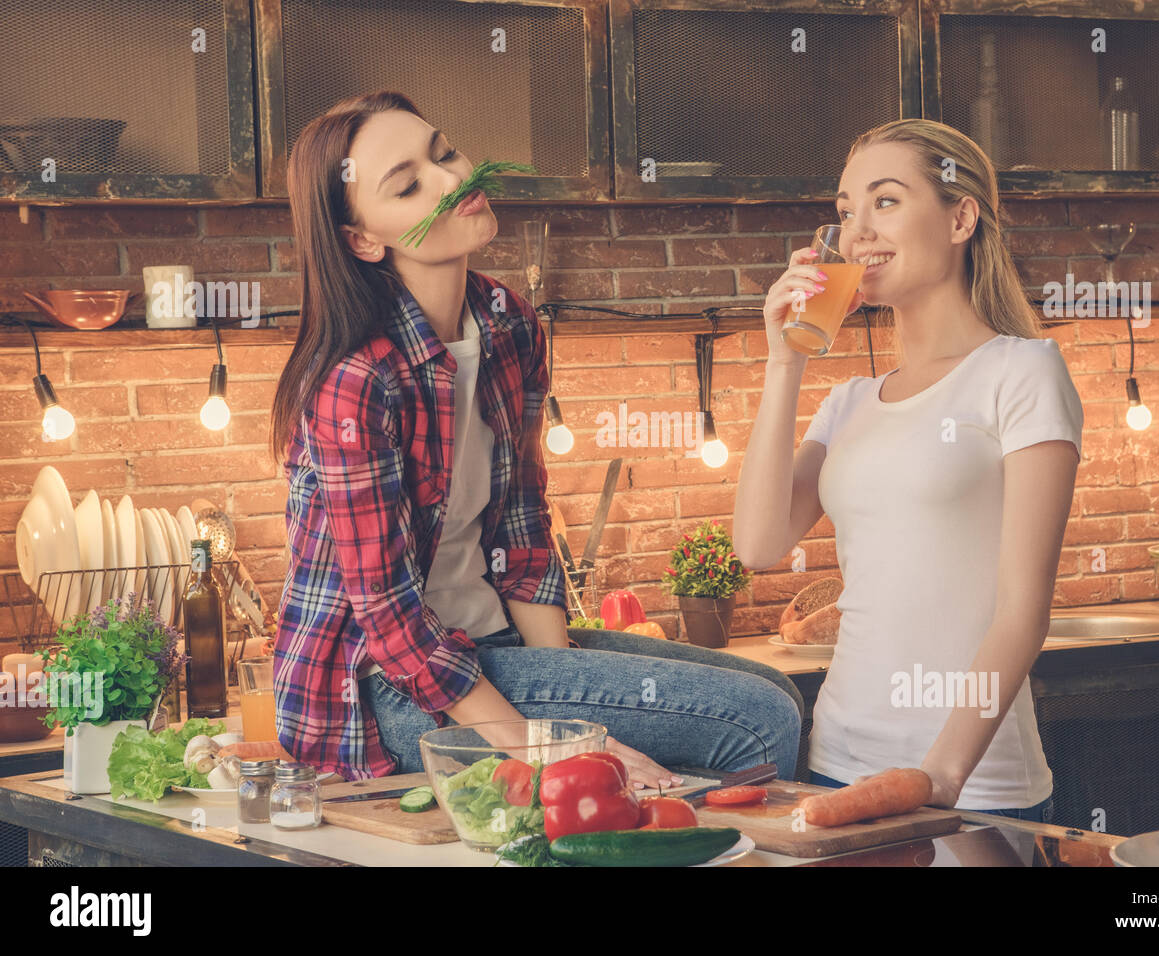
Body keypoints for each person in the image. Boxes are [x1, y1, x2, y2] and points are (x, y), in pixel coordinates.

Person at [267, 91, 802, 785]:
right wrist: (559, 749)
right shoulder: (355, 380)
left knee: (783, 695)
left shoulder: (507, 324)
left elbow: (520, 527)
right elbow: (388, 618)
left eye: (444, 153)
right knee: (759, 720)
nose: (453, 181)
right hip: (383, 693)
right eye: (408, 184)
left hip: (496, 648)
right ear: (363, 239)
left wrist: (567, 684)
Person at [734, 118, 1083, 823]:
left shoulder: (1021, 373)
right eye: (844, 210)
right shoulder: (849, 402)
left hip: (971, 781)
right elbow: (758, 546)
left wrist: (940, 776)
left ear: (960, 217)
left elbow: (1024, 611)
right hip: (832, 765)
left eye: (885, 201)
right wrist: (784, 361)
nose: (857, 230)